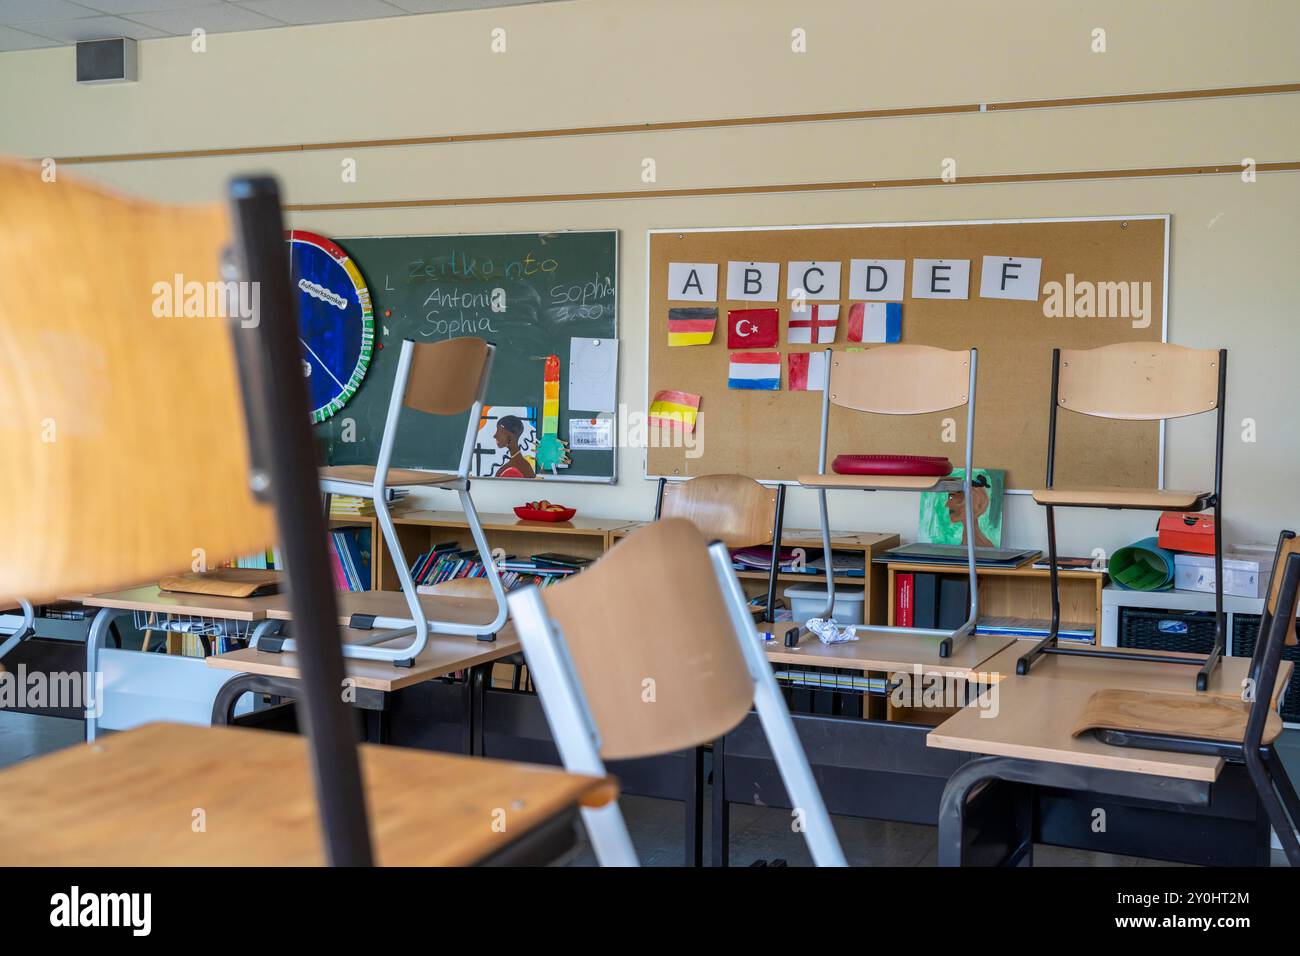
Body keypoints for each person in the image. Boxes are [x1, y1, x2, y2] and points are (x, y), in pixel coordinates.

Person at [494, 415, 535, 479]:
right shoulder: (523, 465)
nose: (495, 435)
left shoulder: (512, 468)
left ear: (511, 436)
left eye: (499, 431)